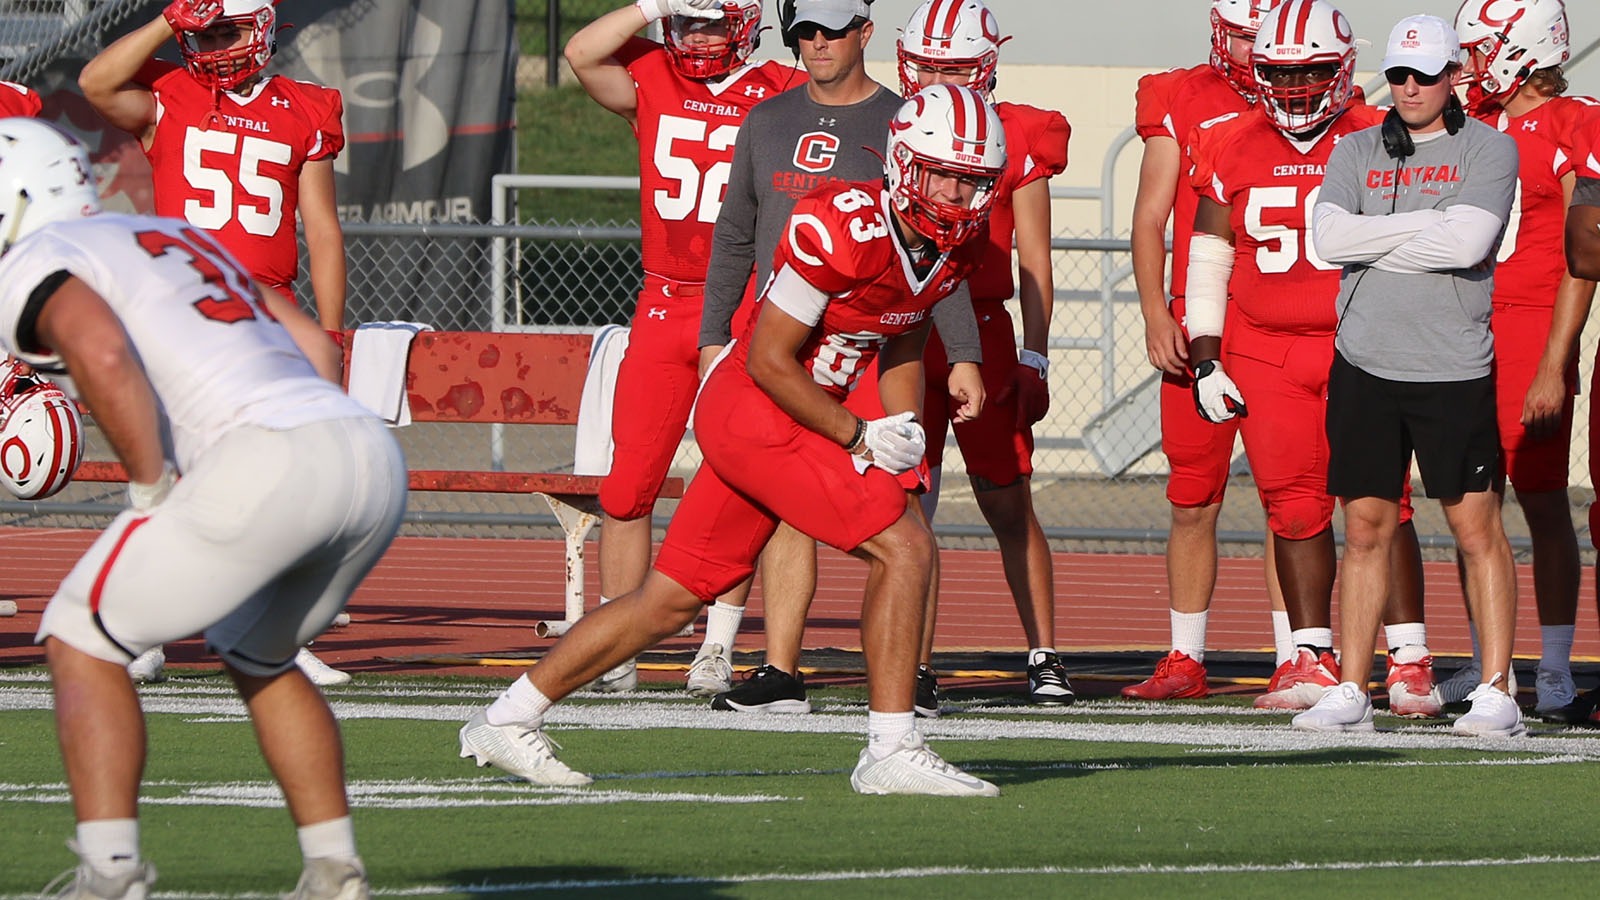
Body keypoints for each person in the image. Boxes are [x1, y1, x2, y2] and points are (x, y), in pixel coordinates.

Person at [460, 84, 1007, 797]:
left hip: (796, 415)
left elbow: (902, 336)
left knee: (668, 601)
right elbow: (769, 361)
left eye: (974, 181)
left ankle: (508, 715)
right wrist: (859, 436)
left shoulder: (949, 251)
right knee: (905, 546)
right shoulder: (841, 227)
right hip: (755, 410)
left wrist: (902, 426)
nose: (960, 196)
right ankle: (891, 746)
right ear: (904, 163)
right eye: (946, 175)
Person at [0, 118, 405, 899]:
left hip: (264, 455)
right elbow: (318, 350)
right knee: (259, 653)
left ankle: (110, 874)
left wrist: (151, 487)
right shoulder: (174, 232)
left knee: (80, 636)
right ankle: (334, 871)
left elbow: (103, 352)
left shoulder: (38, 258)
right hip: (361, 448)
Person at [684, 0, 986, 711]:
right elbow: (735, 234)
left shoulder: (906, 121)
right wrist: (710, 335)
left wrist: (965, 351)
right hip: (788, 343)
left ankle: (912, 670)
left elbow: (936, 250)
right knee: (786, 506)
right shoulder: (765, 120)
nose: (816, 43)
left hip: (875, 342)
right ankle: (782, 669)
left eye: (831, 29)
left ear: (864, 33)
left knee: (905, 506)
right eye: (804, 32)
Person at [80, 0, 352, 687]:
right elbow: (95, 84)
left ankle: (274, 632)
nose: (211, 46)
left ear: (261, 27)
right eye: (201, 33)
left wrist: (331, 332)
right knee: (169, 474)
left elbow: (321, 229)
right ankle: (140, 625)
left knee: (281, 478)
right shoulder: (171, 92)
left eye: (223, 30)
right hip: (179, 301)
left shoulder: (308, 106)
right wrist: (172, 22)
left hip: (270, 311)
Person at [562, 0, 800, 692]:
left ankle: (718, 645)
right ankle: (617, 647)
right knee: (628, 487)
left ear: (746, 23)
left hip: (746, 302)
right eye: (685, 21)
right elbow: (581, 52)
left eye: (710, 20)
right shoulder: (653, 76)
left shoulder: (780, 89)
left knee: (739, 476)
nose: (695, 37)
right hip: (664, 300)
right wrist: (653, 4)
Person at [1295, 14, 1522, 736]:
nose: (1411, 88)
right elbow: (1328, 239)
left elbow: (1468, 244)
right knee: (1363, 528)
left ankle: (1496, 691)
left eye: (1426, 74)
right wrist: (1427, 224)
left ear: (1457, 74)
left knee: (1474, 526)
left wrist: (1379, 237)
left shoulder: (1491, 148)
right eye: (1399, 74)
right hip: (1364, 363)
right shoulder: (1356, 147)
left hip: (1452, 367)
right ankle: (1353, 690)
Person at [892, 0, 1073, 706]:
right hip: (906, 327)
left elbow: (1035, 258)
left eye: (953, 66)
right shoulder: (892, 122)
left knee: (1007, 499)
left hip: (986, 330)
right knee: (910, 505)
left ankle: (1045, 653)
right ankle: (914, 660)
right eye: (928, 66)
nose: (938, 79)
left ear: (986, 68)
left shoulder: (1020, 134)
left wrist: (1037, 356)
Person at [1125, 0, 1290, 701]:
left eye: (1265, 38)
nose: (1254, 52)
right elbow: (1151, 214)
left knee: (1294, 502)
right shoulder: (1183, 95)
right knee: (1193, 497)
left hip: (1280, 326)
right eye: (1245, 37)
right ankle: (1186, 655)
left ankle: (1299, 656)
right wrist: (1154, 312)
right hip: (1202, 322)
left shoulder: (1317, 96)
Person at [1443, 0, 1594, 724]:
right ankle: (1486, 662)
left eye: (1480, 49)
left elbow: (1583, 257)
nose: (1470, 64)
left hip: (1532, 327)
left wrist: (1553, 363)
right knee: (1471, 506)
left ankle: (1557, 670)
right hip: (1466, 325)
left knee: (1538, 501)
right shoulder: (1473, 122)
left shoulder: (1574, 122)